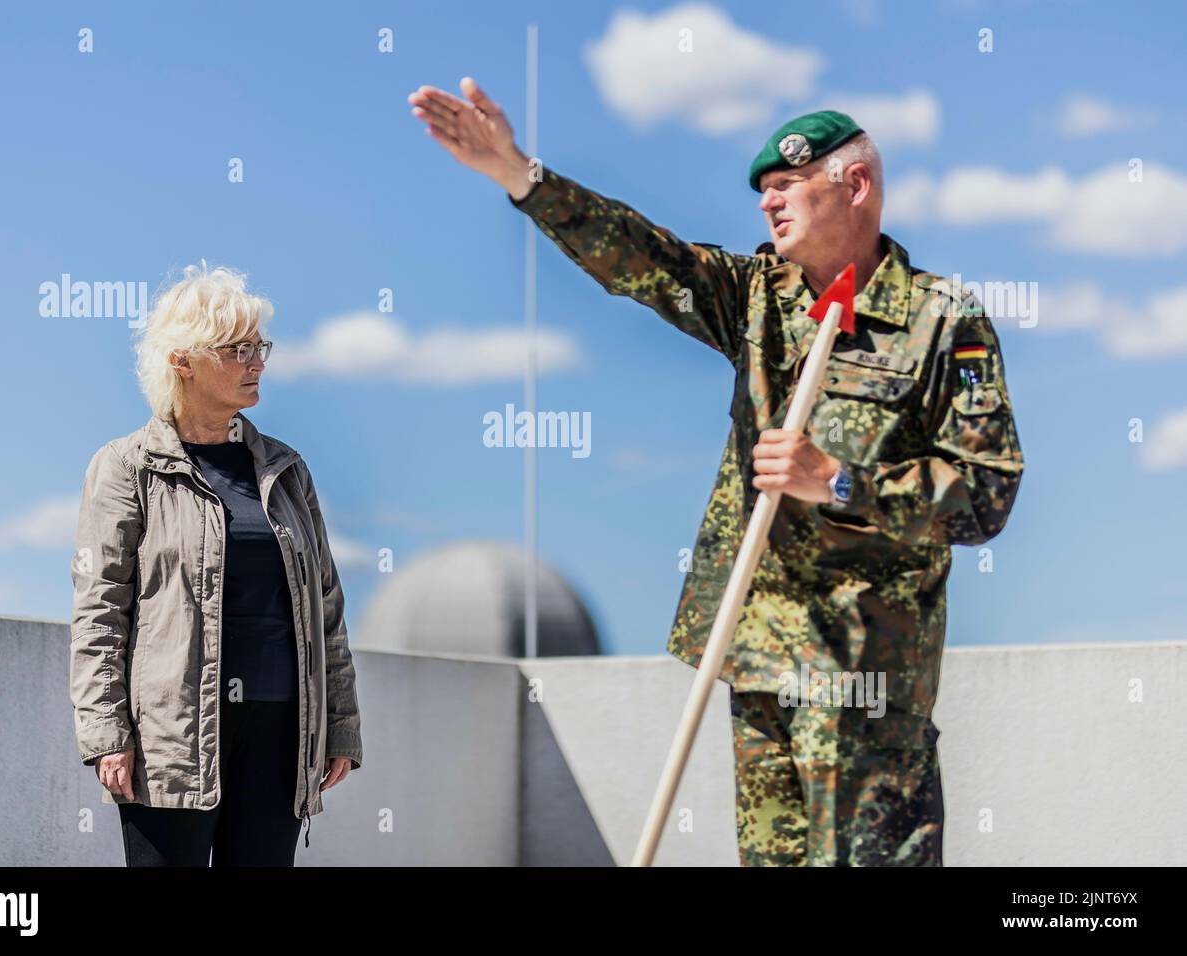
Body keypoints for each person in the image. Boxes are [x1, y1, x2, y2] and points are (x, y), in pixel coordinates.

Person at [409, 80, 1024, 866]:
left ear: (856, 186)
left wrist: (837, 479)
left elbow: (987, 495)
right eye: (761, 193)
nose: (768, 207)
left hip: (865, 679)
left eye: (786, 187)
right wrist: (521, 175)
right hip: (760, 660)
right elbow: (646, 259)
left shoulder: (944, 321)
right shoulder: (758, 298)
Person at [69, 261, 363, 866]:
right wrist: (106, 736)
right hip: (169, 738)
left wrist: (340, 727)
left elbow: (326, 609)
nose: (257, 361)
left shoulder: (286, 470)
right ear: (182, 361)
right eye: (237, 349)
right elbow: (101, 613)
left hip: (281, 733)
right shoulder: (127, 466)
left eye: (261, 346)